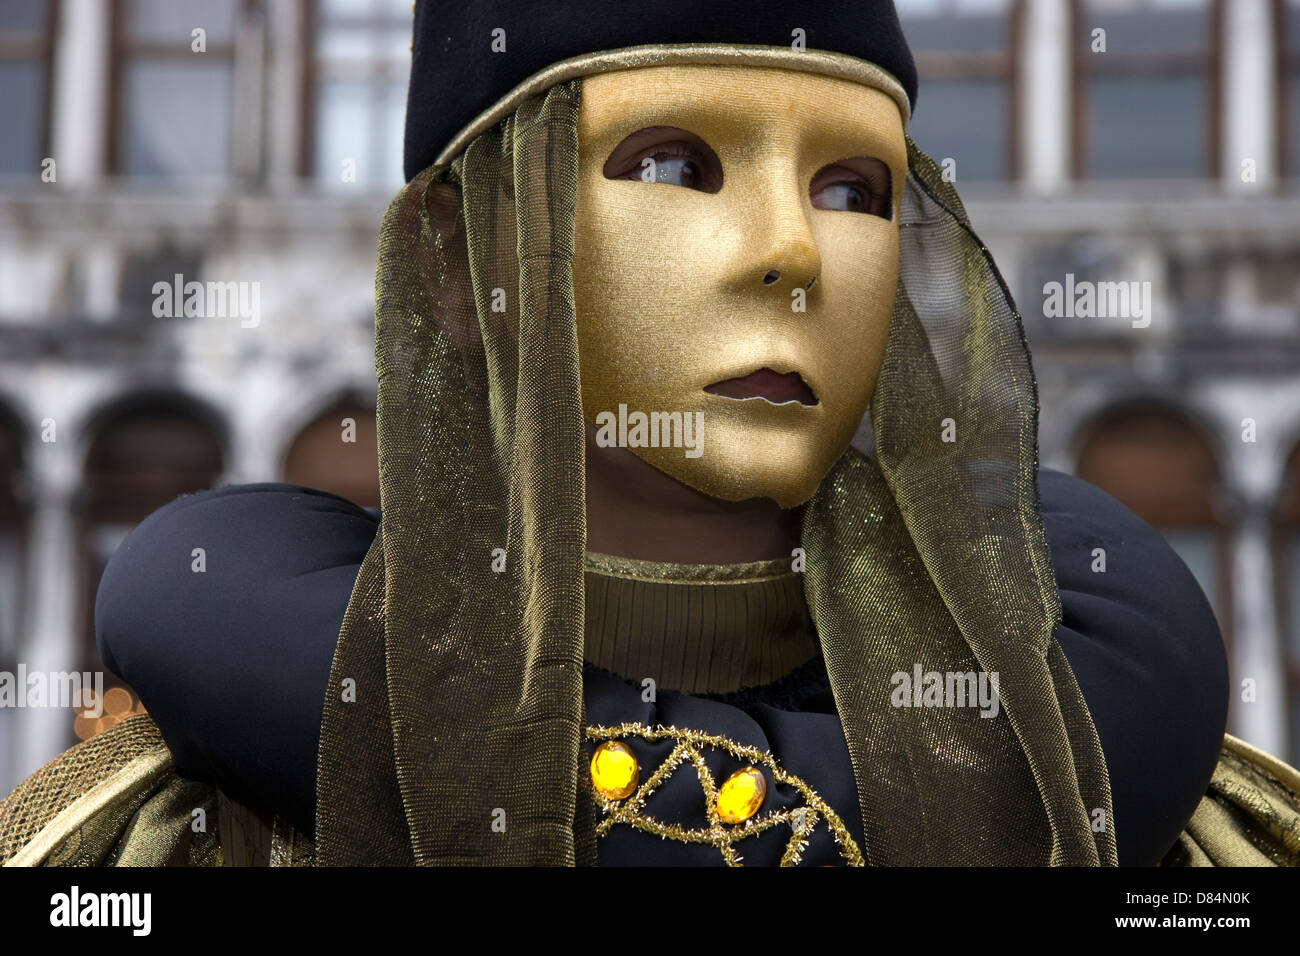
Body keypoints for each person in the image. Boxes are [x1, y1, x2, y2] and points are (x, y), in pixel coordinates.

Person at [3, 0, 1298, 868]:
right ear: (457, 264)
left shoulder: (1206, 838)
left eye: (852, 189)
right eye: (673, 165)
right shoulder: (167, 834)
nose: (793, 254)